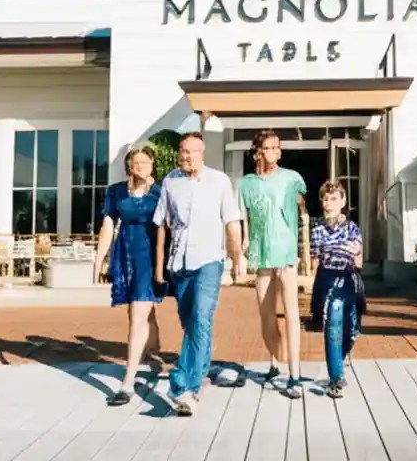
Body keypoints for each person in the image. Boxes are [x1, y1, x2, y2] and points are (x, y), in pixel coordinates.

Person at [153, 132, 245, 416]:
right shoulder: (170, 182)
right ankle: (201, 370)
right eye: (182, 151)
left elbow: (231, 221)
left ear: (202, 152)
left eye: (191, 151)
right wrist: (159, 267)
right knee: (191, 324)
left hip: (209, 261)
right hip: (179, 265)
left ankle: (185, 386)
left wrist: (237, 256)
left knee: (201, 319)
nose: (186, 156)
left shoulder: (219, 181)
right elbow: (161, 226)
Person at [236, 129, 310, 398]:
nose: (275, 152)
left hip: (286, 252)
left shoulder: (291, 178)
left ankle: (294, 374)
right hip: (259, 253)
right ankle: (274, 360)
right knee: (266, 314)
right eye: (269, 148)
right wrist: (240, 253)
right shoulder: (245, 183)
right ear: (258, 151)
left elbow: (302, 206)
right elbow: (243, 220)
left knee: (291, 312)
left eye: (277, 147)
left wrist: (303, 242)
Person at [92, 146, 165, 407]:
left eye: (145, 162)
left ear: (152, 165)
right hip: (125, 256)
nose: (141, 166)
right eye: (136, 163)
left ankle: (128, 381)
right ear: (129, 166)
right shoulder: (116, 192)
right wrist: (100, 259)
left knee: (137, 317)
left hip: (150, 257)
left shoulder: (161, 191)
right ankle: (154, 353)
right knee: (143, 313)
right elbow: (109, 225)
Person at [308, 179, 366, 399]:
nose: (329, 202)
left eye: (334, 198)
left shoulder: (352, 228)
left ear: (343, 201)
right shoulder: (318, 230)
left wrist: (355, 250)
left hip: (349, 279)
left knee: (352, 329)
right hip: (328, 279)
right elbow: (315, 260)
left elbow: (359, 256)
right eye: (325, 198)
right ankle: (336, 376)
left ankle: (338, 362)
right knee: (333, 325)